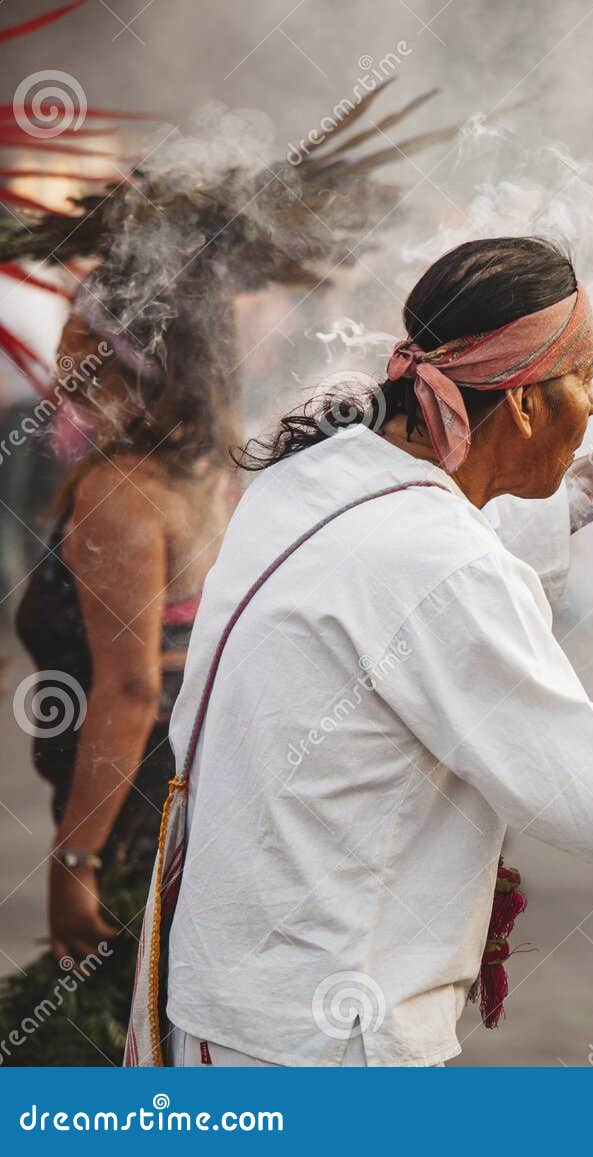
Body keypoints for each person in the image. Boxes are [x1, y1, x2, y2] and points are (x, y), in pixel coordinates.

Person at [135, 237, 593, 1067]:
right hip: (321, 1038)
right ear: (522, 405)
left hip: (228, 998)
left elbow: (461, 530)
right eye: (583, 377)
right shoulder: (440, 563)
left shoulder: (321, 471)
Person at [0, 275, 238, 1066]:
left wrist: (77, 859)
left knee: (101, 1045)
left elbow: (131, 686)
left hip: (135, 808)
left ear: (118, 347)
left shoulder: (119, 490)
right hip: (186, 784)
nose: (59, 346)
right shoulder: (203, 467)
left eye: (77, 325)